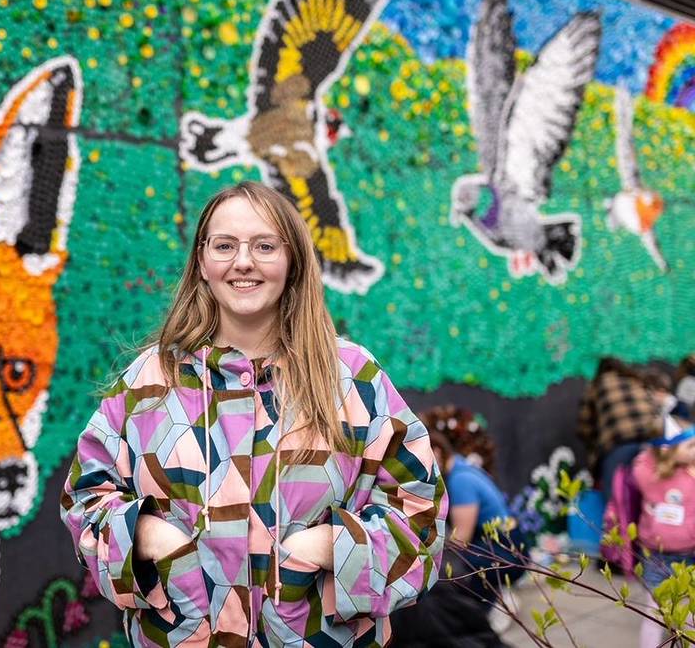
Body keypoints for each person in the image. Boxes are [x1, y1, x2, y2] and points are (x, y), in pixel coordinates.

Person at [60, 181, 447, 646]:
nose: (243, 262)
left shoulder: (351, 379)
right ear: (202, 262)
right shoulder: (148, 383)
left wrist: (325, 548)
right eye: (225, 246)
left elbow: (420, 513)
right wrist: (149, 538)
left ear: (292, 260)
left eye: (264, 246)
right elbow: (86, 500)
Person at [429, 430, 524, 624]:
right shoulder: (462, 466)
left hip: (506, 551)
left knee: (451, 569)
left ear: (436, 452)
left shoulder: (460, 481)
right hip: (510, 543)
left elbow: (460, 540)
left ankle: (492, 605)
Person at [631, 416, 695, 648]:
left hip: (689, 554)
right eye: (691, 445)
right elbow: (643, 461)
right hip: (657, 556)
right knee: (655, 613)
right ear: (667, 450)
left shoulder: (685, 470)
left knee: (688, 614)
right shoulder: (649, 473)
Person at [577, 357, 673, 503]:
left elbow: (585, 425)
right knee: (651, 495)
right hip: (650, 442)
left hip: (619, 443)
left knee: (615, 500)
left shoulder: (596, 385)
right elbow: (655, 410)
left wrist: (594, 446)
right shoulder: (636, 380)